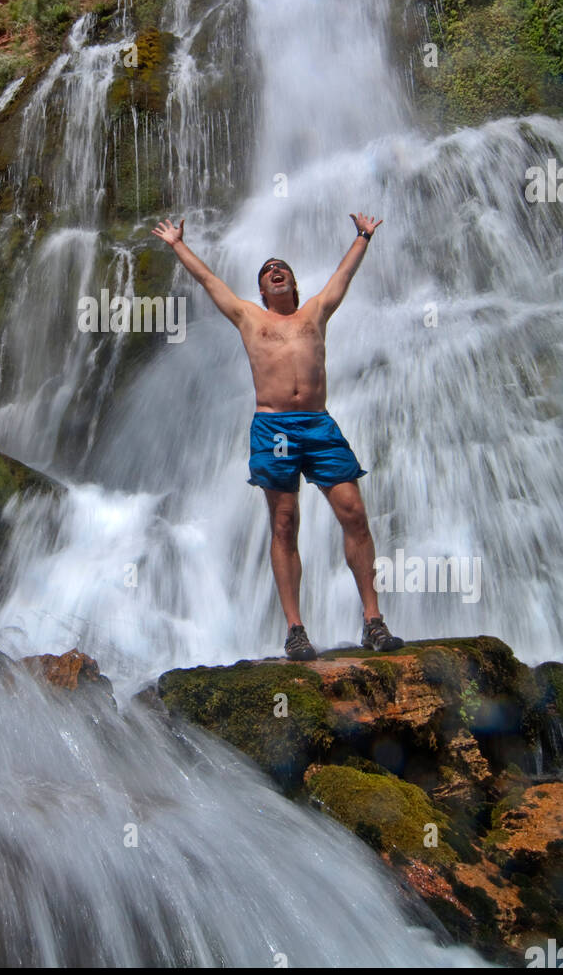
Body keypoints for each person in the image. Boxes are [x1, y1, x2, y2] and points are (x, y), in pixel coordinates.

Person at [152, 212, 403, 661]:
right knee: (284, 523)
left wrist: (363, 236)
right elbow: (209, 279)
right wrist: (176, 245)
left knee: (355, 515)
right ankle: (295, 630)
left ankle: (373, 621)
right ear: (262, 290)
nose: (275, 269)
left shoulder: (315, 312)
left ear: (292, 283)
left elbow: (343, 276)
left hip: (318, 425)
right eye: (267, 271)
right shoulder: (248, 317)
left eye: (281, 266)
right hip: (274, 429)